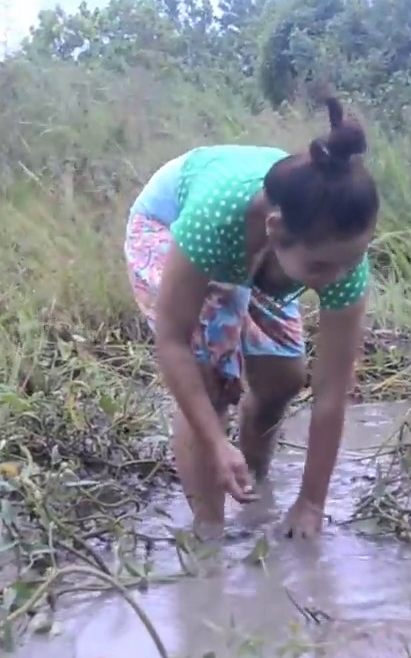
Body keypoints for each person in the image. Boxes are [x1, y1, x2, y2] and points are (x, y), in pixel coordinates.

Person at [124, 96, 378, 540]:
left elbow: (331, 392)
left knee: (284, 378)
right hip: (170, 223)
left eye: (349, 262)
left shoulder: (337, 255)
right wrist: (214, 442)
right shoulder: (215, 221)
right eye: (321, 268)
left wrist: (311, 503)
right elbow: (172, 340)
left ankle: (253, 488)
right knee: (211, 380)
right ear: (276, 232)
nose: (335, 280)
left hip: (266, 255)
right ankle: (209, 537)